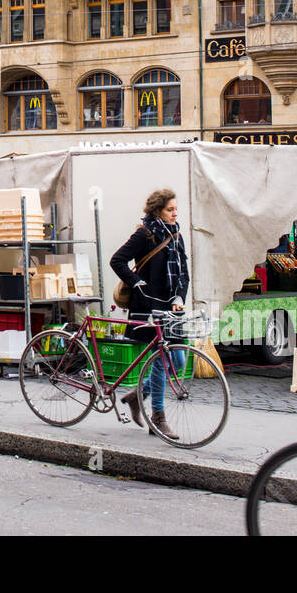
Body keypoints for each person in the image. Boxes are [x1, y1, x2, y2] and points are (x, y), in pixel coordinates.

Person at [110, 188, 189, 441]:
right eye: (170, 210)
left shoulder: (176, 235)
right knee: (160, 359)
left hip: (170, 307)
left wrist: (179, 297)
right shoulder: (144, 234)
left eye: (176, 209)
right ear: (157, 211)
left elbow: (183, 271)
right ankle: (158, 417)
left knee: (178, 361)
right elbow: (117, 260)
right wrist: (136, 283)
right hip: (147, 306)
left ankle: (137, 395)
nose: (175, 213)